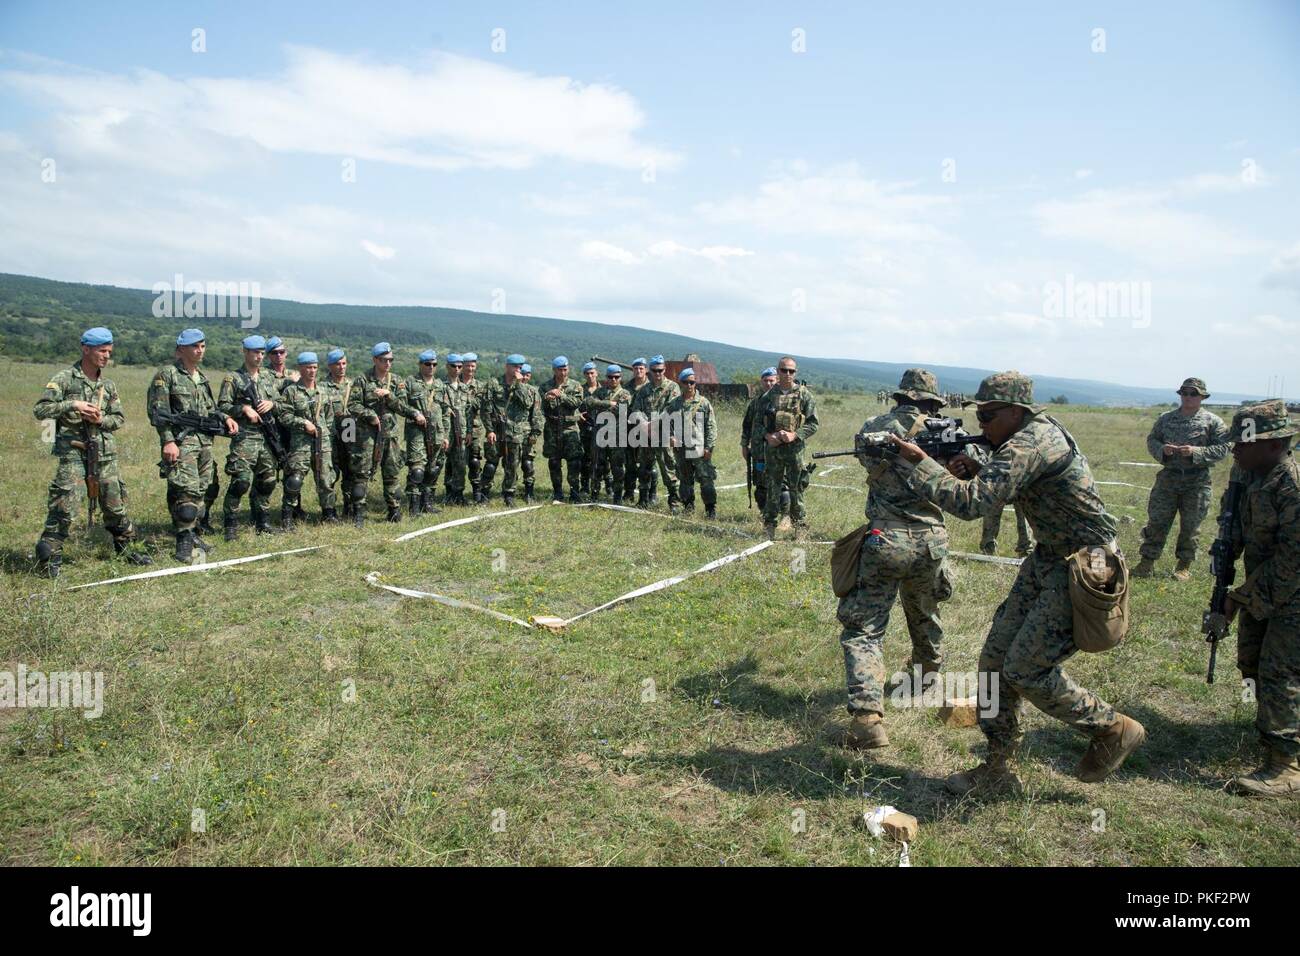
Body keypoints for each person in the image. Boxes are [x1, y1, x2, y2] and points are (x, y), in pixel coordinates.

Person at [887, 371, 1144, 794]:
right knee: (994, 662)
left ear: (1016, 411)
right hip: (1050, 557)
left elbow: (972, 504)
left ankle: (1112, 728)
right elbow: (996, 464)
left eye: (988, 416)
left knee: (1026, 669)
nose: (982, 425)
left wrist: (921, 465)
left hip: (1086, 562)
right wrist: (978, 459)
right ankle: (998, 768)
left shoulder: (1032, 441)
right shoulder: (1018, 438)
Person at [835, 369, 964, 748]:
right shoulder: (948, 433)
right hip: (930, 541)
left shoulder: (876, 427)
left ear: (901, 397)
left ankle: (867, 718)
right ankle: (924, 679)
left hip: (886, 538)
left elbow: (866, 460)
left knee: (864, 628)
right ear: (931, 400)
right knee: (924, 611)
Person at [1215, 401, 1300, 797]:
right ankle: (1274, 727)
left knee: (1280, 672)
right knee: (1250, 659)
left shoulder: (1292, 485)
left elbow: (1292, 559)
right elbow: (1233, 523)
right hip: (1262, 587)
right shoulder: (1246, 474)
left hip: (1292, 591)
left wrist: (1242, 597)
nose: (1235, 449)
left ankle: (1286, 765)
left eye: (1243, 443)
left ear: (1275, 444)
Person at [33, 327, 151, 576]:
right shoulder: (65, 378)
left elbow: (118, 419)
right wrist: (73, 404)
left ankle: (126, 547)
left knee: (115, 505)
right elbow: (41, 410)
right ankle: (49, 557)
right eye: (101, 351)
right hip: (74, 452)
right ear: (86, 349)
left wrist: (100, 419)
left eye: (109, 351)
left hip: (105, 455)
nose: (106, 356)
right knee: (65, 504)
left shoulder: (108, 385)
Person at [147, 328, 239, 562]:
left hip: (204, 444)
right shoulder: (167, 375)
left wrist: (225, 418)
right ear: (181, 350)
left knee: (203, 490)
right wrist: (168, 440)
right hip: (182, 443)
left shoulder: (202, 378)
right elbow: (159, 413)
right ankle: (183, 546)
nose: (200, 351)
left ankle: (192, 532)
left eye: (202, 346)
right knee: (186, 493)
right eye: (194, 347)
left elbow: (209, 409)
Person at [1134, 378, 1231, 581]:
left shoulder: (1213, 422)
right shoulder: (1166, 418)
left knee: (1191, 526)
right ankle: (1147, 563)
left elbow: (1223, 448)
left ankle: (1183, 566)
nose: (1188, 397)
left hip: (1197, 482)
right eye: (1184, 393)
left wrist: (1196, 452)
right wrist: (1163, 450)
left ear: (1202, 397)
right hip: (1168, 479)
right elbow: (1152, 439)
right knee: (1157, 521)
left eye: (1193, 393)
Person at [347, 342, 423, 524]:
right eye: (384, 360)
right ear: (375, 360)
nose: (388, 363)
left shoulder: (396, 381)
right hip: (367, 437)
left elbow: (403, 407)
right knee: (362, 475)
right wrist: (370, 415)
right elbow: (352, 405)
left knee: (392, 474)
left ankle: (394, 510)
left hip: (390, 436)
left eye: (391, 360)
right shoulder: (363, 380)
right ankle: (359, 514)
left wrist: (390, 396)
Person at [217, 334, 282, 539]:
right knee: (241, 481)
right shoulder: (233, 378)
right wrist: (243, 409)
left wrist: (273, 404)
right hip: (245, 437)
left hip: (267, 437)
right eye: (255, 352)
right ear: (245, 352)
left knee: (268, 480)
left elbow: (283, 403)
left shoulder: (268, 378)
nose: (259, 357)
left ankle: (261, 521)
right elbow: (222, 407)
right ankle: (231, 526)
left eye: (262, 353)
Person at [758, 357, 819, 539]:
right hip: (774, 451)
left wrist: (795, 435)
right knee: (772, 487)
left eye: (791, 371)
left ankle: (799, 527)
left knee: (796, 489)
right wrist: (769, 436)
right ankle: (769, 527)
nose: (787, 374)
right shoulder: (768, 396)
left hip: (795, 451)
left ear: (796, 373)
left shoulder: (804, 395)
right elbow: (757, 424)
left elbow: (813, 423)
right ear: (778, 371)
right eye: (784, 370)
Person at [276, 352, 336, 528]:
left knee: (326, 478)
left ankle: (328, 513)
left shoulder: (323, 391)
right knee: (295, 480)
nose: (312, 371)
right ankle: (287, 516)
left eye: (315, 367)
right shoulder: (291, 391)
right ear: (300, 368)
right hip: (300, 443)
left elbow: (329, 417)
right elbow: (284, 415)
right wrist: (303, 423)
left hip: (322, 442)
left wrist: (325, 434)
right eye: (308, 367)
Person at [666, 367, 718, 517]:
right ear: (680, 383)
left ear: (695, 384)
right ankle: (688, 507)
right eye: (685, 382)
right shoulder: (674, 404)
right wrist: (670, 437)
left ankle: (710, 509)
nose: (689, 385)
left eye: (692, 382)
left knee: (706, 479)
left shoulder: (703, 403)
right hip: (681, 450)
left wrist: (709, 447)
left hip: (699, 448)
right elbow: (666, 423)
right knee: (685, 480)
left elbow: (711, 426)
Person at [633, 355, 681, 510]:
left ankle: (674, 502)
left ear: (664, 370)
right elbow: (636, 409)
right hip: (646, 434)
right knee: (644, 468)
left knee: (668, 470)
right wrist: (643, 423)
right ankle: (643, 500)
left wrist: (653, 423)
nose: (658, 373)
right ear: (650, 371)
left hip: (664, 434)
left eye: (660, 370)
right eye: (654, 370)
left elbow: (671, 409)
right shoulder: (644, 390)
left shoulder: (672, 387)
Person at [404, 350, 448, 515]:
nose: (431, 367)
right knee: (417, 470)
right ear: (420, 364)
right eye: (427, 364)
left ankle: (427, 503)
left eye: (434, 364)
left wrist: (445, 435)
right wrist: (415, 414)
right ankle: (414, 508)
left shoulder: (440, 385)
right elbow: (401, 405)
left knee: (432, 468)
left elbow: (445, 412)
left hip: (436, 433)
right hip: (416, 432)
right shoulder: (410, 382)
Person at [497, 355, 543, 507]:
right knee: (511, 464)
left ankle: (529, 491)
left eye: (520, 368)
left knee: (528, 463)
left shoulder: (530, 390)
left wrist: (535, 433)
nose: (518, 370)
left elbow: (530, 406)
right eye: (515, 367)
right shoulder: (503, 386)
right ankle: (509, 494)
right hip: (510, 433)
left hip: (527, 433)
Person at [541, 356, 587, 502]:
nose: (563, 373)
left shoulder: (576, 385)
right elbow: (540, 407)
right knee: (554, 462)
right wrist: (547, 398)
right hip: (552, 429)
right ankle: (558, 492)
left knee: (574, 462)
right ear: (554, 370)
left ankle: (574, 492)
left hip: (570, 429)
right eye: (560, 370)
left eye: (565, 369)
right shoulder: (545, 386)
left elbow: (576, 403)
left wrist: (562, 395)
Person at [586, 365, 633, 503]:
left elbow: (621, 409)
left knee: (617, 468)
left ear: (620, 378)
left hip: (617, 436)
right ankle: (594, 495)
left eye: (616, 377)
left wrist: (600, 404)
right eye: (610, 377)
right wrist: (609, 403)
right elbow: (589, 402)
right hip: (600, 435)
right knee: (596, 467)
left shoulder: (625, 393)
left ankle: (617, 497)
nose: (613, 379)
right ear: (606, 378)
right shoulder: (600, 391)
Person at [741, 367, 778, 512]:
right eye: (766, 381)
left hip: (777, 452)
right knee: (760, 483)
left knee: (780, 483)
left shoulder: (782, 400)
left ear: (777, 381)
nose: (768, 384)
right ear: (761, 382)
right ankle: (764, 513)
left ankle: (784, 516)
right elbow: (747, 425)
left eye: (771, 381)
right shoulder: (755, 403)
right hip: (758, 453)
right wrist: (744, 445)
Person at [322, 349, 352, 520]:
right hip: (330, 435)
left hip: (350, 432)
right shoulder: (322, 387)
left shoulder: (352, 385)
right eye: (337, 364)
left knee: (350, 471)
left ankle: (349, 507)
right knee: (330, 474)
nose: (341, 367)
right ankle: (329, 510)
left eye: (344, 363)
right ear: (330, 366)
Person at [442, 353, 471, 506]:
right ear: (447, 366)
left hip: (461, 430)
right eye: (454, 366)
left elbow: (469, 412)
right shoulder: (441, 386)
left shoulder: (464, 388)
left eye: (460, 366)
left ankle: (458, 493)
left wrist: (470, 432)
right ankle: (448, 492)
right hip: (446, 431)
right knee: (445, 463)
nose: (457, 369)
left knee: (460, 462)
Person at [623, 358, 651, 502]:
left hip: (648, 429)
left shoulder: (651, 387)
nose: (638, 371)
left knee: (648, 463)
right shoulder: (626, 387)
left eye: (641, 368)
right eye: (636, 368)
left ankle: (650, 495)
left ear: (646, 370)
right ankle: (628, 492)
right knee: (630, 463)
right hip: (630, 429)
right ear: (632, 370)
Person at [579, 361, 601, 498]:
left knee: (602, 459)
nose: (590, 376)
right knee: (585, 459)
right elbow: (574, 405)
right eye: (587, 373)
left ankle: (606, 486)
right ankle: (585, 486)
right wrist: (578, 414)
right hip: (585, 429)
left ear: (596, 373)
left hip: (601, 430)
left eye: (592, 373)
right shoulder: (579, 390)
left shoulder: (603, 390)